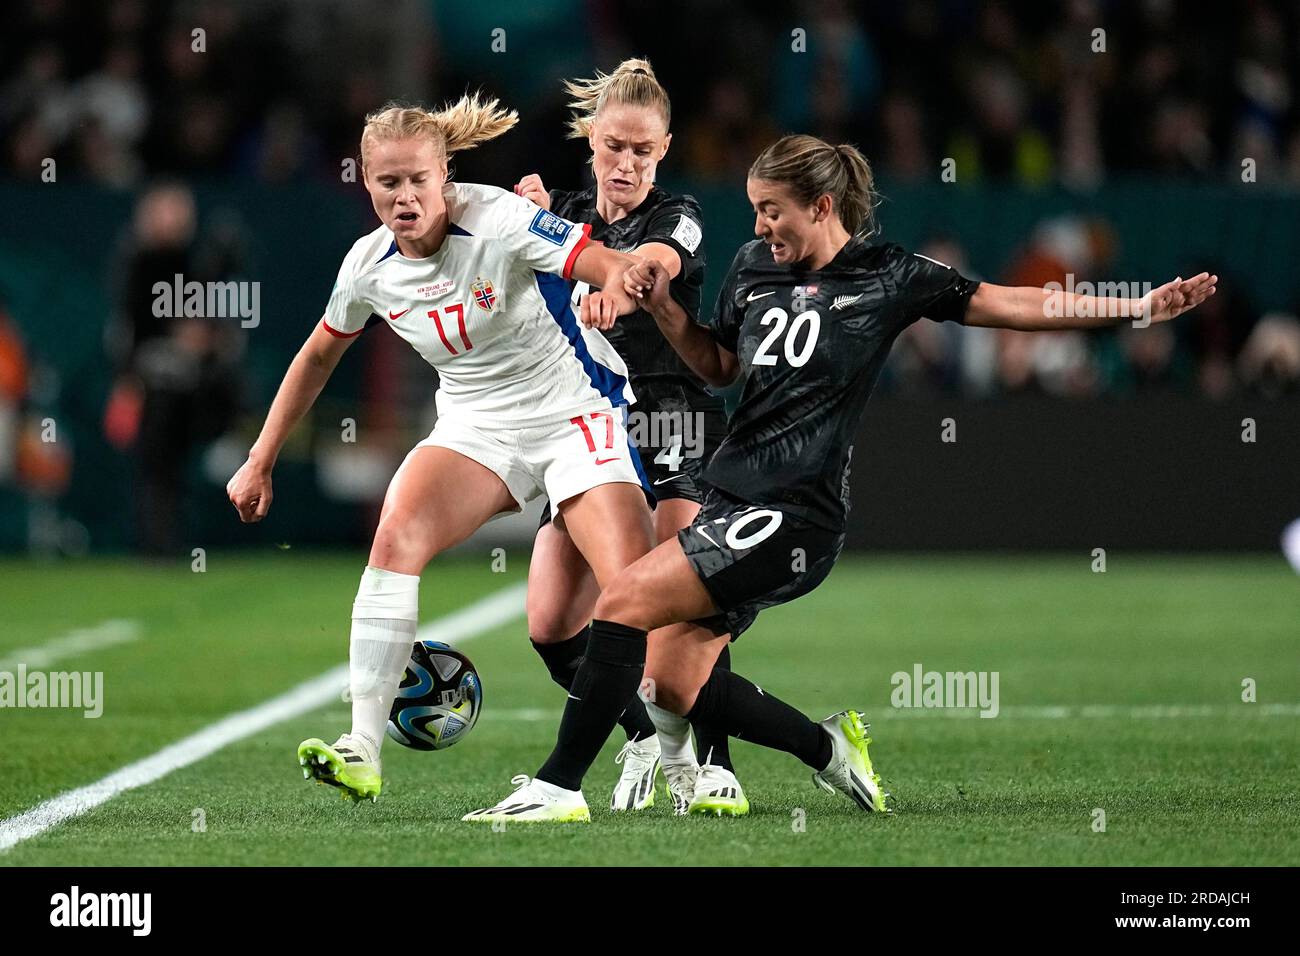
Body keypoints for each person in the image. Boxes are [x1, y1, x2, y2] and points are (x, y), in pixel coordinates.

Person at [470, 133, 1217, 822]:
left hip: (797, 511)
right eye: (757, 210)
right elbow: (718, 365)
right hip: (729, 491)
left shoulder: (891, 275)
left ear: (822, 206)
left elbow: (1012, 303)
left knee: (624, 599)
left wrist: (1137, 308)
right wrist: (665, 309)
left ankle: (557, 787)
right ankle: (828, 750)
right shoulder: (752, 269)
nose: (761, 226)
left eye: (774, 211)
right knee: (670, 683)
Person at [225, 93, 657, 818]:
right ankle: (363, 748)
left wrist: (617, 281)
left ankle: (690, 754)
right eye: (387, 182)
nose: (405, 196)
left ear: (444, 172)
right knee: (395, 536)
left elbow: (595, 257)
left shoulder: (497, 216)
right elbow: (316, 357)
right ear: (366, 184)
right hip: (476, 427)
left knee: (634, 597)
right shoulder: (367, 266)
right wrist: (261, 456)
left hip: (573, 413)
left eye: (418, 179)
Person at [510, 58, 745, 816]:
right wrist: (524, 218)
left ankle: (713, 764)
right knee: (551, 625)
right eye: (615, 146)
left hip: (670, 415)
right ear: (591, 139)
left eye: (643, 150)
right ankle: (642, 736)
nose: (627, 163)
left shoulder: (678, 214)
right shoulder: (565, 211)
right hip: (588, 424)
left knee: (681, 606)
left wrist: (619, 283)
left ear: (666, 148)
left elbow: (654, 264)